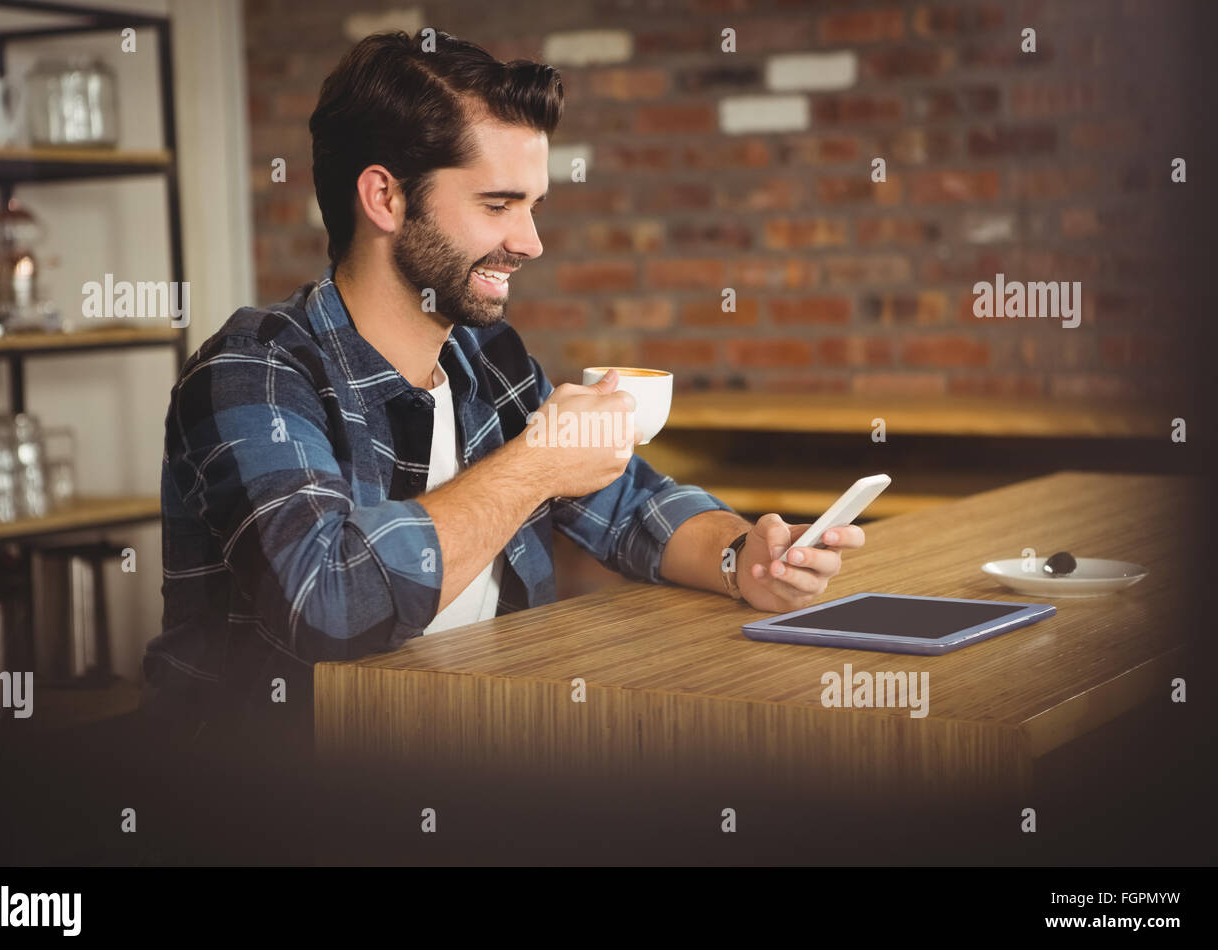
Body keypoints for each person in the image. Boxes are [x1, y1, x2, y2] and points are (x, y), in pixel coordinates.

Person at [140, 30, 865, 748]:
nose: (530, 242)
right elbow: (326, 602)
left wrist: (747, 560)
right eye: (497, 205)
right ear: (385, 197)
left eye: (534, 206)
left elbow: (630, 504)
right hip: (282, 795)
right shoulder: (252, 374)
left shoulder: (486, 357)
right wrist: (536, 463)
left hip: (479, 754)